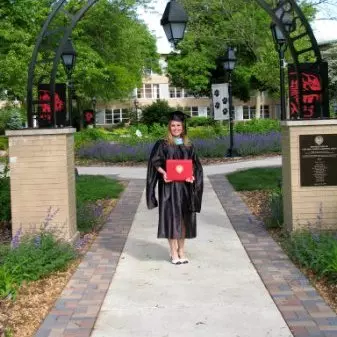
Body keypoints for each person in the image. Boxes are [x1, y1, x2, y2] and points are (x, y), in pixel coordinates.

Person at [146, 111, 203, 265]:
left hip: (184, 187)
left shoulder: (188, 144)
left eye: (178, 125)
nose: (176, 128)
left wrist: (192, 176)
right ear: (169, 127)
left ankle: (181, 250)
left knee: (184, 219)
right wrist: (164, 173)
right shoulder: (162, 143)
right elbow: (155, 162)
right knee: (171, 218)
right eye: (173, 125)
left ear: (183, 127)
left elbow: (194, 165)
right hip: (169, 187)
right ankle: (173, 252)